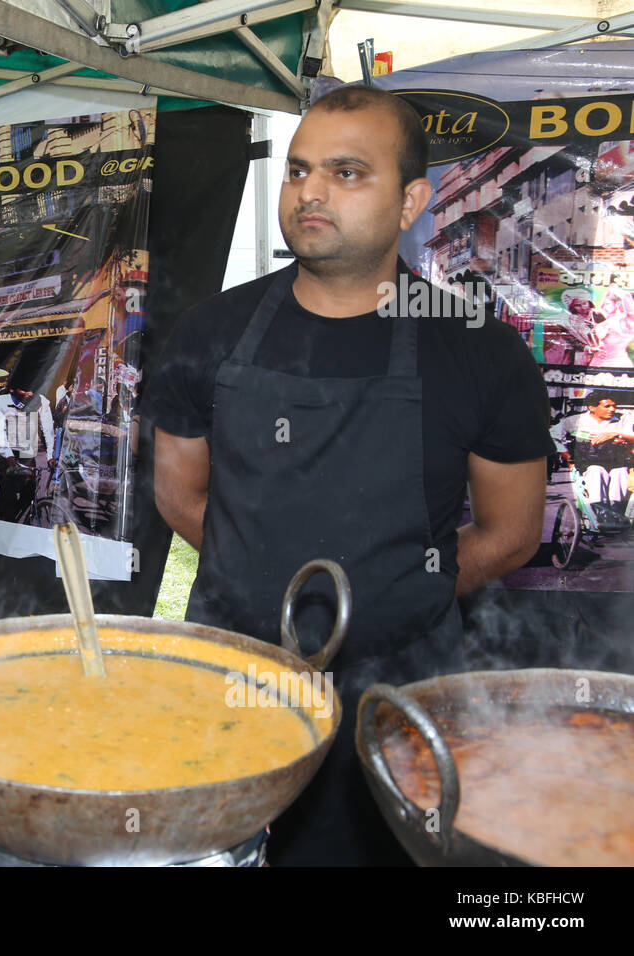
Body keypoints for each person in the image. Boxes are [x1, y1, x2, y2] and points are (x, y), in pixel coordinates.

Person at [144, 85, 552, 865]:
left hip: (397, 693)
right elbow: (179, 494)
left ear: (412, 201)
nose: (311, 192)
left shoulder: (479, 352)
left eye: (347, 172)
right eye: (298, 172)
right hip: (233, 681)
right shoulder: (209, 334)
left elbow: (512, 531)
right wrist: (256, 572)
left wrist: (403, 588)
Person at [0, 375, 56, 523]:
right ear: (13, 390)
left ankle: (24, 514)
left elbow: (49, 431)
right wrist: (8, 455)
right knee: (9, 489)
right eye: (25, 390)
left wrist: (51, 455)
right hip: (6, 449)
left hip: (27, 448)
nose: (30, 393)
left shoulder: (41, 401)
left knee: (30, 486)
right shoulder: (0, 402)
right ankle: (7, 519)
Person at [550, 390, 634, 507]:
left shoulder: (623, 419)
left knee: (620, 473)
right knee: (596, 471)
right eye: (607, 406)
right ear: (592, 407)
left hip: (617, 462)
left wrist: (616, 434)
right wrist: (567, 456)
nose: (612, 409)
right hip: (588, 463)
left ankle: (616, 510)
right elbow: (553, 436)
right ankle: (599, 509)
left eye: (614, 406)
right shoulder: (575, 421)